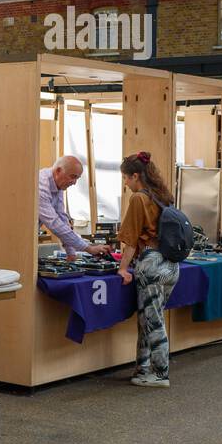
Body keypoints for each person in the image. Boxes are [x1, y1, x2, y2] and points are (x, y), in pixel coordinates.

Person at [116, 151, 179, 388]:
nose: (125, 183)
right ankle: (142, 368)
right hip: (171, 265)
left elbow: (131, 240)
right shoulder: (163, 196)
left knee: (153, 322)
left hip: (150, 263)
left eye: (125, 178)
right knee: (148, 318)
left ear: (135, 176)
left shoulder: (138, 199)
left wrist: (123, 269)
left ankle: (161, 374)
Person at [38, 155, 111, 258]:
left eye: (77, 178)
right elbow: (54, 223)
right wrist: (89, 248)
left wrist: (71, 253)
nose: (74, 182)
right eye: (73, 176)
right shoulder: (41, 184)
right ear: (58, 171)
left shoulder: (58, 185)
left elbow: (62, 219)